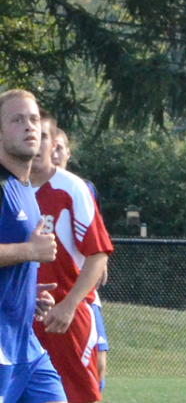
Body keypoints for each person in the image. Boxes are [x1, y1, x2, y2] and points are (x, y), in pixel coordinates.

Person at [30, 113, 113, 403]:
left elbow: (98, 252)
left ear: (54, 144)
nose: (35, 143)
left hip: (63, 320)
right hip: (15, 317)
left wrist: (69, 304)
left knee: (76, 393)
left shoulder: (71, 188)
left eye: (42, 136)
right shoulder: (9, 189)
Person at [0, 89, 65, 403]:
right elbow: (27, 248)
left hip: (26, 346)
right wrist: (30, 252)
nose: (30, 127)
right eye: (17, 120)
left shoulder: (24, 186)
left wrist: (27, 294)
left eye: (34, 119)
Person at [50, 129, 109, 392]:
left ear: (68, 152)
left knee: (97, 360)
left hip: (82, 294)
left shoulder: (80, 188)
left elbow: (95, 237)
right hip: (45, 295)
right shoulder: (22, 186)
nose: (54, 153)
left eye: (59, 147)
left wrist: (100, 261)